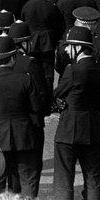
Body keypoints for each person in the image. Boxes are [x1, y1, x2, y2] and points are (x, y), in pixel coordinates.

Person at [0, 35, 43, 198]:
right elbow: (37, 107)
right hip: (24, 136)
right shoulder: (25, 79)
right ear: (13, 58)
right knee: (27, 179)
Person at [52, 26, 100, 199]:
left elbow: (55, 95)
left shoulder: (72, 70)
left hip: (69, 129)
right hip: (94, 130)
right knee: (93, 179)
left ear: (78, 47)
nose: (66, 49)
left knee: (64, 180)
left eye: (69, 45)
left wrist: (59, 102)